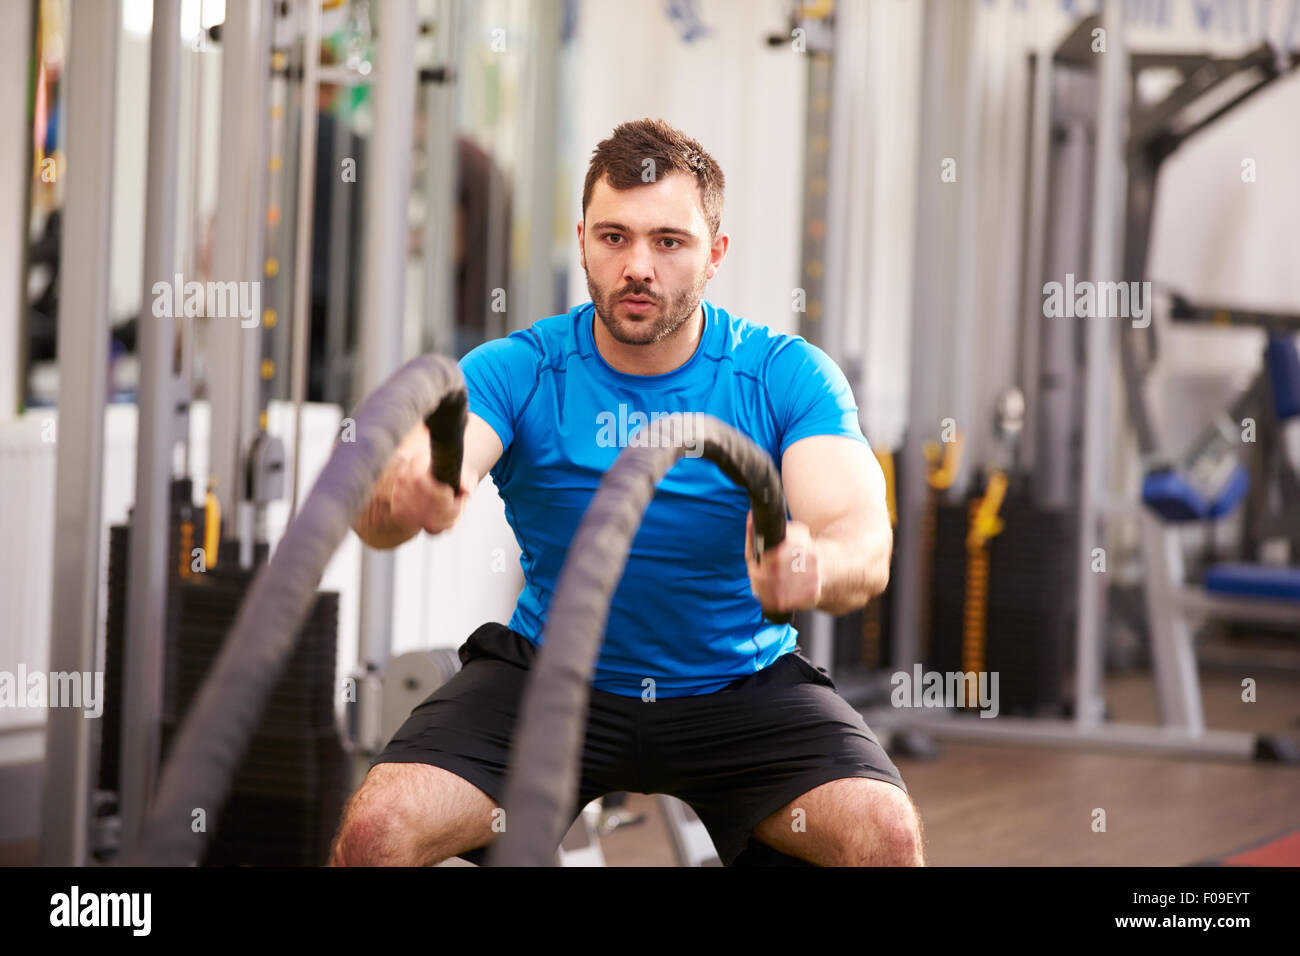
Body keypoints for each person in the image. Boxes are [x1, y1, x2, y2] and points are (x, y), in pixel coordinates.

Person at [331, 118, 923, 867]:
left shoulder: (782, 374)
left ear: (715, 255)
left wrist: (817, 564)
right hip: (549, 681)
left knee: (886, 835)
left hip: (739, 684)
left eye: (668, 242)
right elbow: (410, 486)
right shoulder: (522, 367)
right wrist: (403, 495)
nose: (637, 266)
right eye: (614, 238)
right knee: (376, 832)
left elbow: (861, 535)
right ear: (582, 240)